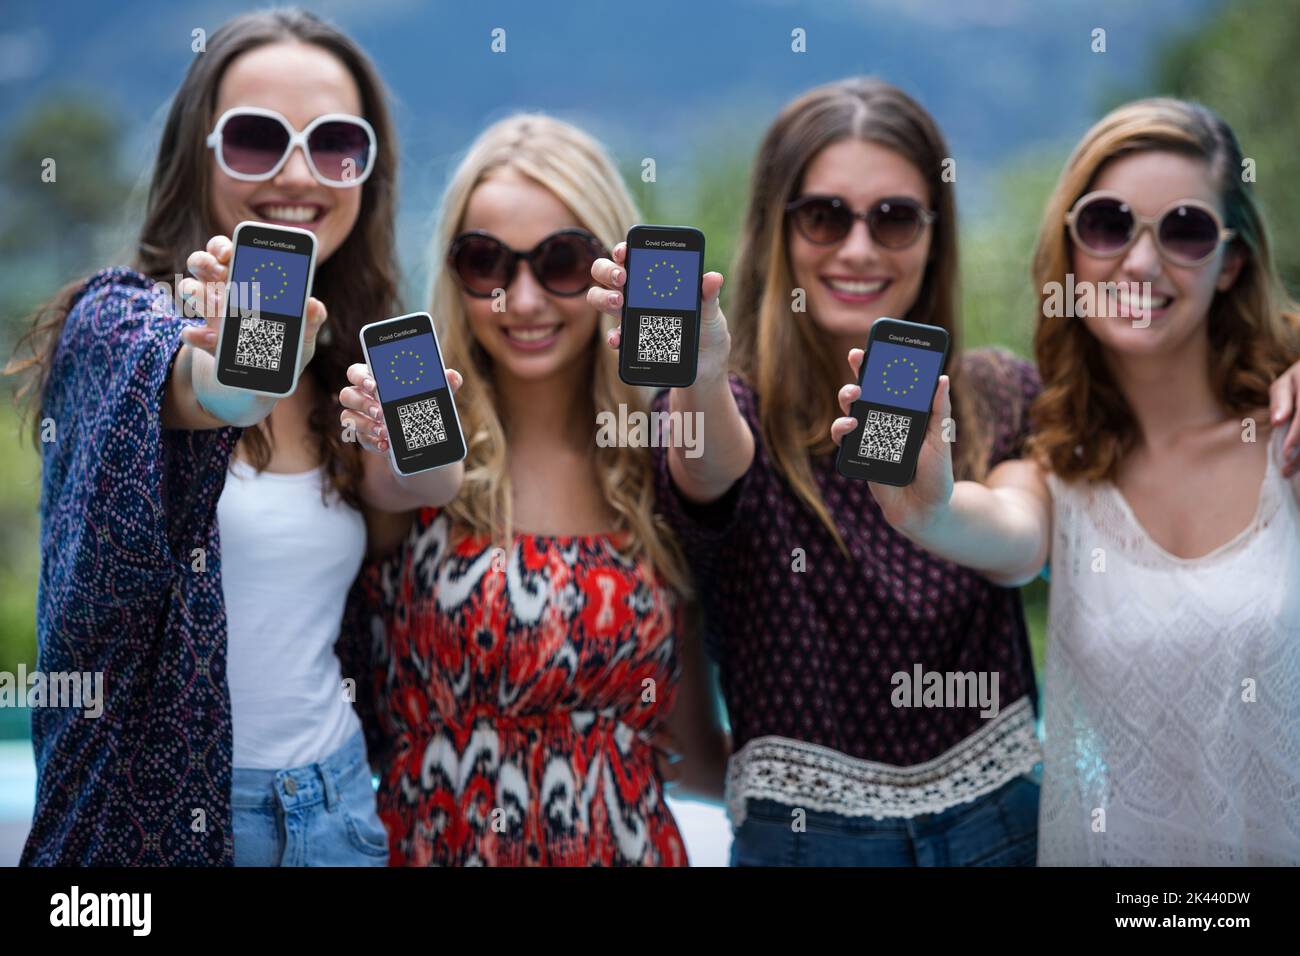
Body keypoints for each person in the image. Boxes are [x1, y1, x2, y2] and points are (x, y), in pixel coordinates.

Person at [7, 8, 460, 866]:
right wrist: (236, 367)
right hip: (158, 836)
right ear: (197, 155)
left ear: (369, 169)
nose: (298, 172)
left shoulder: (367, 355)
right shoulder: (116, 323)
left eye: (335, 144)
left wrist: (418, 449)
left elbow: (425, 487)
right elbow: (216, 389)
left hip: (338, 814)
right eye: (256, 139)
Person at [590, 77, 1046, 866]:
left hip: (999, 830)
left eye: (895, 217)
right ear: (778, 226)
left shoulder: (997, 390)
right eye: (825, 215)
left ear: (936, 234)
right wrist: (697, 373)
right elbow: (709, 466)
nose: (859, 248)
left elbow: (1023, 543)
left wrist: (934, 513)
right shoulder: (725, 407)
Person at [831, 98, 1300, 864]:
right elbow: (1007, 537)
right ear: (1073, 249)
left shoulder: (1290, 445)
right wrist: (930, 509)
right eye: (1110, 224)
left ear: (1232, 262)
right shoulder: (1057, 471)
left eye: (1183, 231)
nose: (1142, 264)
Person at [337, 114, 729, 866]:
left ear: (613, 270)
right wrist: (391, 440)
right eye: (485, 261)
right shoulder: (416, 430)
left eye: (561, 262)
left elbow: (692, 750)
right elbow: (402, 482)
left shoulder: (655, 459)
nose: (520, 300)